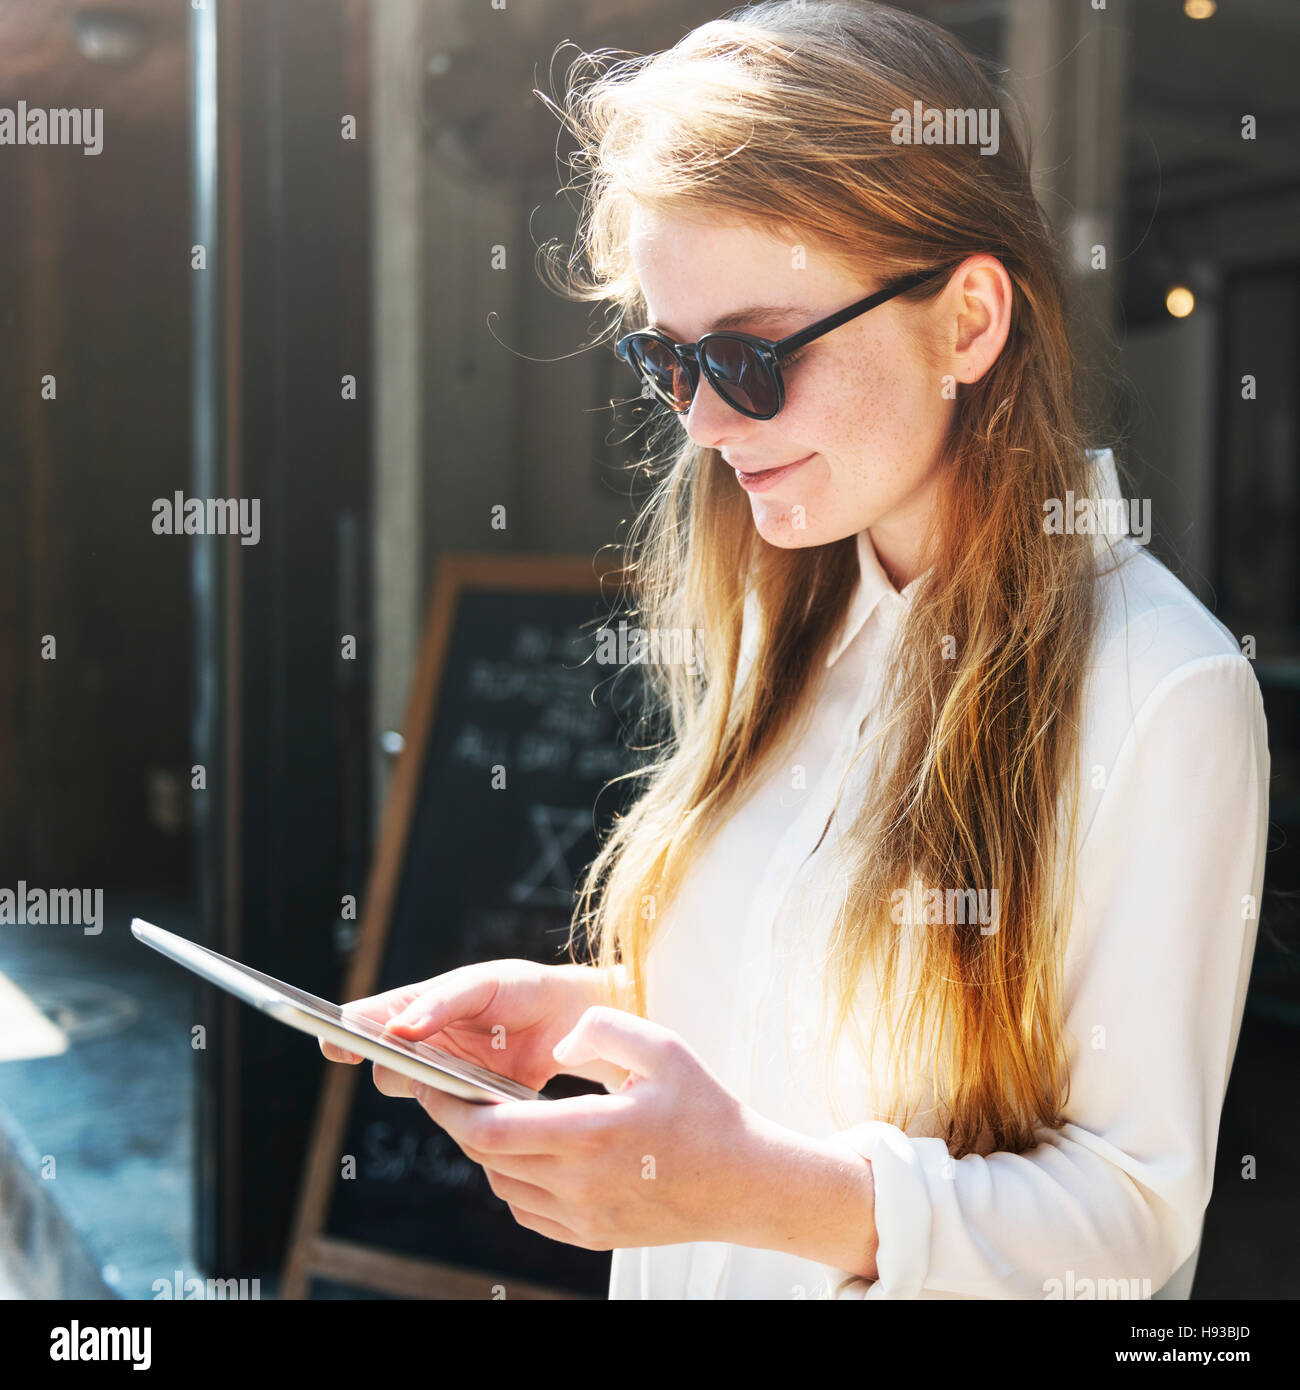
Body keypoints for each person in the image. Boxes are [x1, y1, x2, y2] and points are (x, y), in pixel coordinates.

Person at [323, 0, 1270, 1299]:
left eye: (754, 357)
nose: (706, 425)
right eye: (669, 358)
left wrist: (740, 1184)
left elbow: (1130, 1219)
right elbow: (825, 1016)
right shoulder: (797, 608)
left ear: (969, 323)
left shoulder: (1163, 687)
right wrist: (603, 1007)